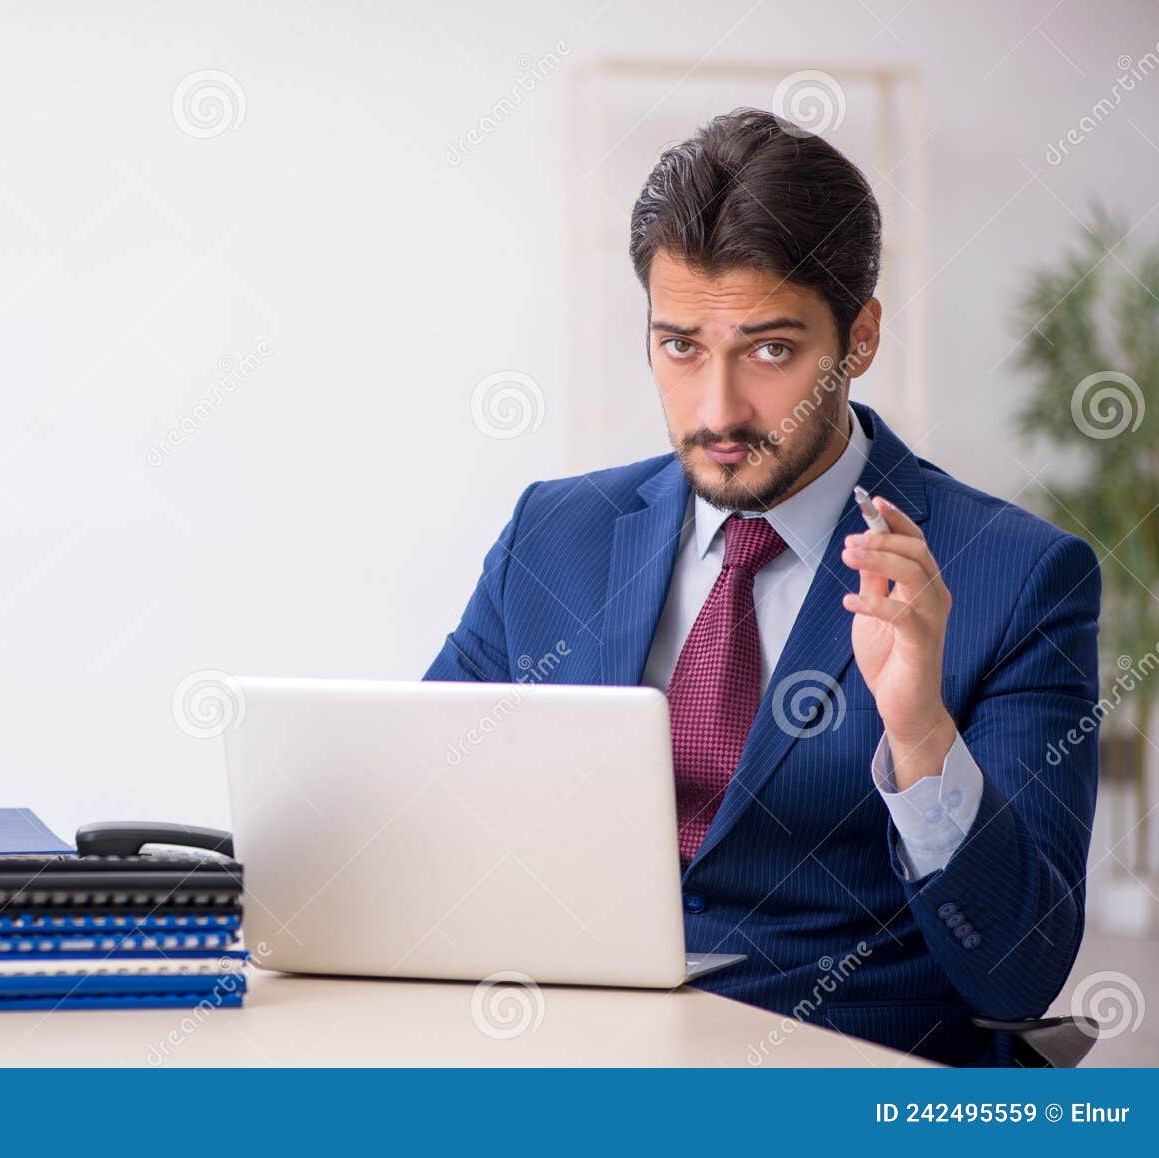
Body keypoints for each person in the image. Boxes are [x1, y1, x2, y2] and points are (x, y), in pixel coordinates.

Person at [425, 108, 1102, 1066]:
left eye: (771, 351)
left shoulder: (1016, 575)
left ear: (858, 339)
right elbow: (421, 812)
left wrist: (919, 734)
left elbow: (1021, 971)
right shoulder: (557, 533)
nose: (718, 410)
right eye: (681, 346)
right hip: (557, 1059)